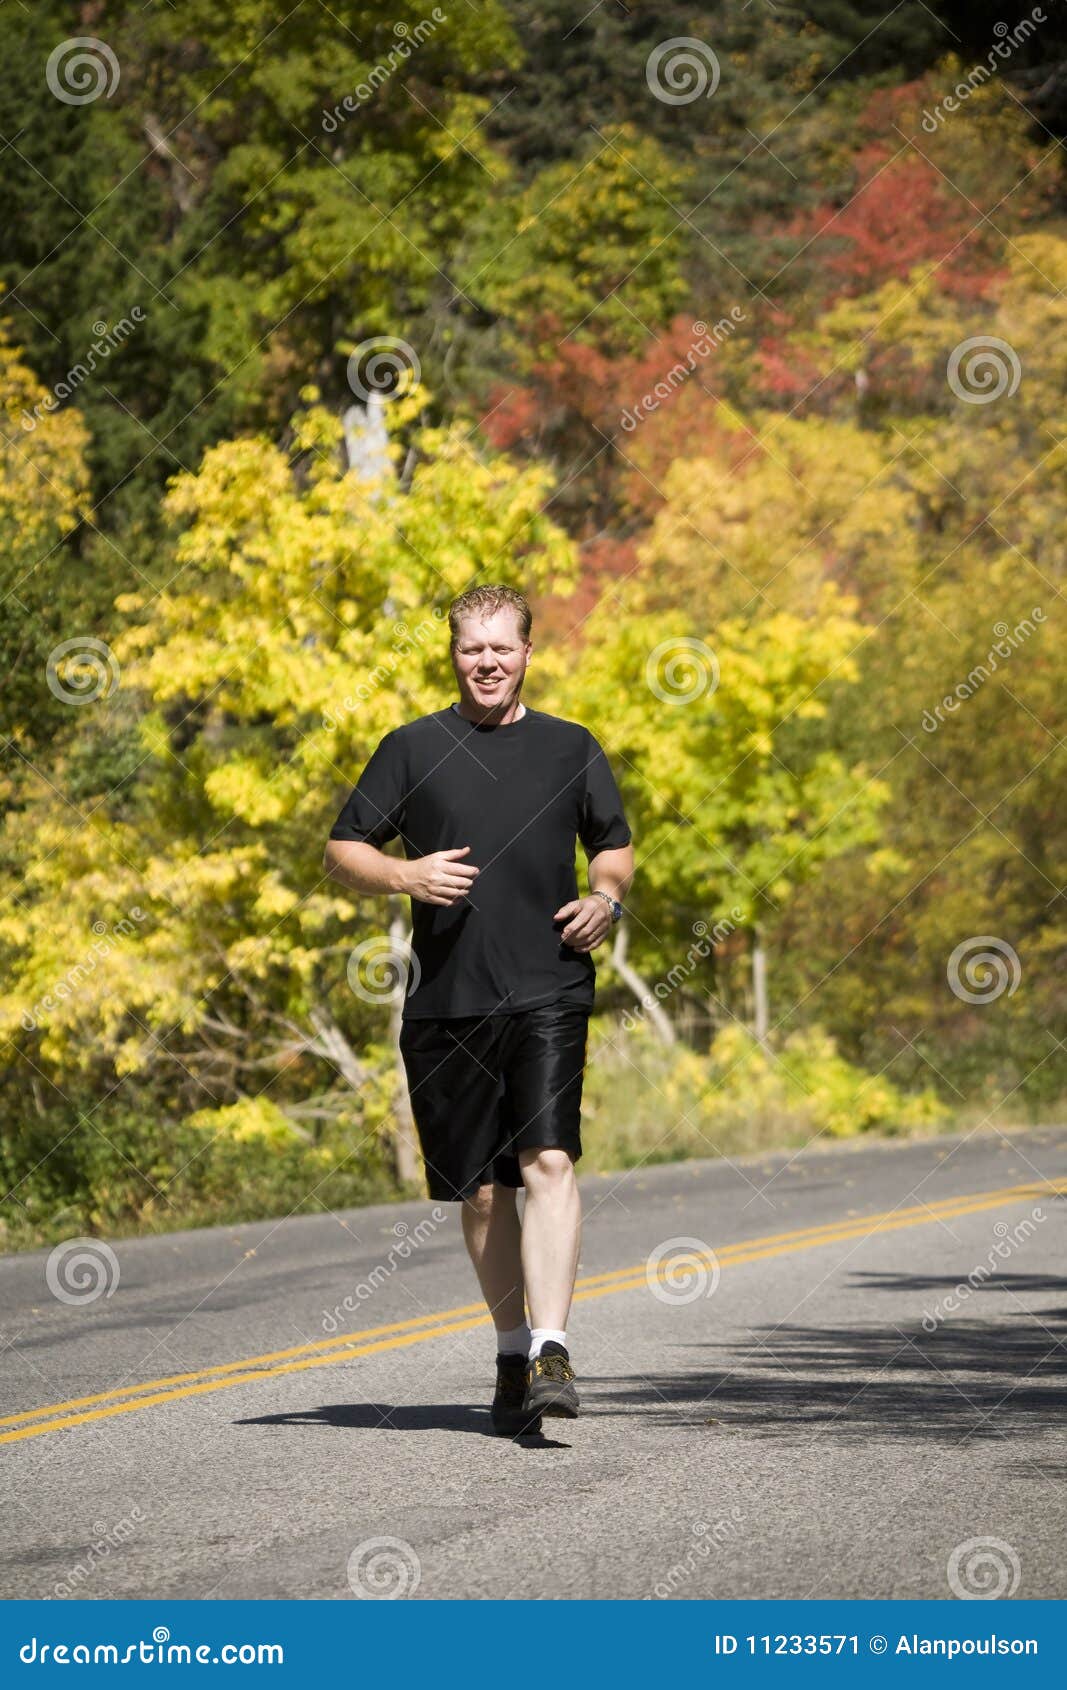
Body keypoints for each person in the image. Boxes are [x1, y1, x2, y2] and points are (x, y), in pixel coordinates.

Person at [322, 584, 634, 1437]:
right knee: (486, 1194)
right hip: (448, 999)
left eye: (502, 647)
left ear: (528, 652)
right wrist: (404, 876)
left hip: (550, 985)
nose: (487, 661)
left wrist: (606, 900)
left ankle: (552, 1349)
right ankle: (508, 1351)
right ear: (452, 655)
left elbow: (612, 844)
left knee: (549, 1161)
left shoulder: (571, 747)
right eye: (471, 648)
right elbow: (342, 848)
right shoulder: (412, 748)